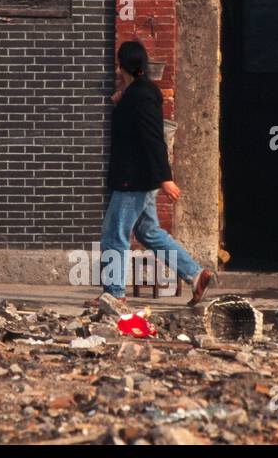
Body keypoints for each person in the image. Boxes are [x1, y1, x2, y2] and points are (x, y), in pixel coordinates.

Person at [92, 40, 214, 310]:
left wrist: (165, 178)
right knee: (148, 231)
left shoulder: (141, 95)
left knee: (114, 234)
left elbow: (153, 138)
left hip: (132, 178)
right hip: (138, 177)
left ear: (119, 64)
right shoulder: (137, 93)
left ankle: (113, 293)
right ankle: (196, 276)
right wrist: (120, 101)